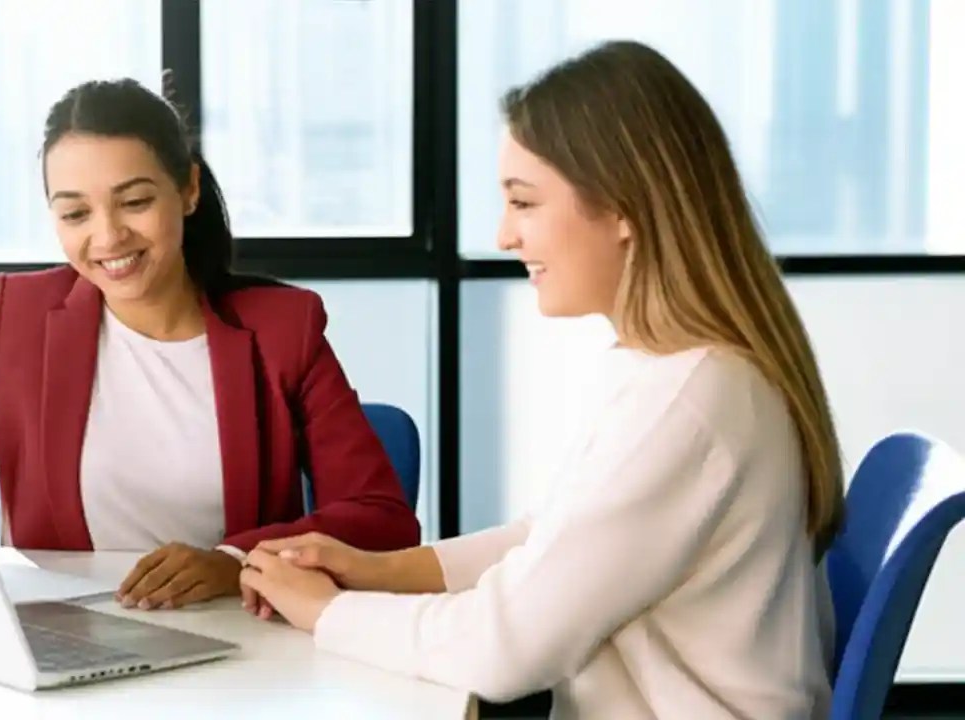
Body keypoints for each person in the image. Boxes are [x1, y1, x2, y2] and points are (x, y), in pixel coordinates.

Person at [238, 40, 842, 719]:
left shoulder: (691, 398)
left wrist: (329, 613)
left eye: (524, 203)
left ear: (622, 208)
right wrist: (379, 571)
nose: (504, 235)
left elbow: (504, 650)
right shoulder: (673, 369)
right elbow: (554, 535)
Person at [0, 78, 419, 611]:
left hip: (239, 643)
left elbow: (380, 517)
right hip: (65, 640)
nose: (108, 237)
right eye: (75, 214)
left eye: (134, 201)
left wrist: (233, 561)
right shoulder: (16, 316)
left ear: (188, 190)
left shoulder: (282, 330)